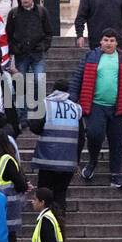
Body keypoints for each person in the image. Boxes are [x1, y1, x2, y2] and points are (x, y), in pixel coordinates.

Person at [70, 28, 122, 188]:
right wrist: (72, 99)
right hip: (95, 105)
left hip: (119, 106)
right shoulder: (91, 56)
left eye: (112, 40)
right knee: (95, 134)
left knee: (117, 141)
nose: (109, 43)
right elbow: (77, 78)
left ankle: (115, 175)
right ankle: (92, 162)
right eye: (106, 40)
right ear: (100, 41)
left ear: (116, 43)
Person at [29, 79, 81, 210]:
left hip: (47, 160)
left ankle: (46, 223)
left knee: (44, 195)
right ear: (68, 91)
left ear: (53, 90)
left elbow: (35, 127)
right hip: (68, 162)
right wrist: (76, 159)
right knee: (60, 194)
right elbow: (81, 137)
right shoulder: (76, 108)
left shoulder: (45, 105)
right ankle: (60, 223)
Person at [6, 0, 56, 81]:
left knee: (40, 81)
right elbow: (9, 34)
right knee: (20, 83)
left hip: (37, 55)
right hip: (21, 55)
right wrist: (15, 48)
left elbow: (49, 32)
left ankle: (39, 97)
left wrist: (43, 46)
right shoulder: (13, 13)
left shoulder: (42, 11)